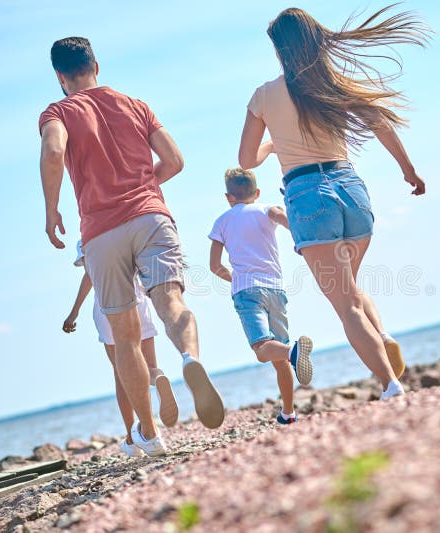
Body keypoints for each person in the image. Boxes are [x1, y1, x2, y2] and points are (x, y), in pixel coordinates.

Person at [39, 37, 225, 457]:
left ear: (59, 76)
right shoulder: (135, 104)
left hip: (101, 232)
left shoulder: (58, 111)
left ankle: (150, 433)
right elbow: (175, 160)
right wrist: (141, 189)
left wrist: (52, 211)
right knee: (170, 302)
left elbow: (53, 151)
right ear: (96, 66)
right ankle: (190, 359)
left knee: (125, 338)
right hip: (150, 216)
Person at [238, 6, 429, 399]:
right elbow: (380, 123)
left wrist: (272, 144)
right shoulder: (335, 83)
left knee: (346, 307)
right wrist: (408, 170)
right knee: (352, 288)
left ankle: (391, 385)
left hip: (307, 195)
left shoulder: (263, 95)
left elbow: (245, 160)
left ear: (279, 50)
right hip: (351, 190)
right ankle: (384, 334)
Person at [209, 168, 313, 424]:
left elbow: (214, 265)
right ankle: (288, 413)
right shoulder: (266, 209)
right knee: (279, 357)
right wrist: (300, 239)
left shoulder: (222, 221)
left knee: (262, 348)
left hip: (247, 290)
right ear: (256, 192)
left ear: (228, 196)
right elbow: (282, 216)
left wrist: (236, 278)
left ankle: (293, 351)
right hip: (276, 288)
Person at [63, 241, 178, 456]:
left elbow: (90, 276)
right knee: (147, 366)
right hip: (139, 300)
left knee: (122, 373)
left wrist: (74, 312)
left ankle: (131, 435)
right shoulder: (125, 231)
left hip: (108, 307)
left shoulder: (88, 240)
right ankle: (157, 376)